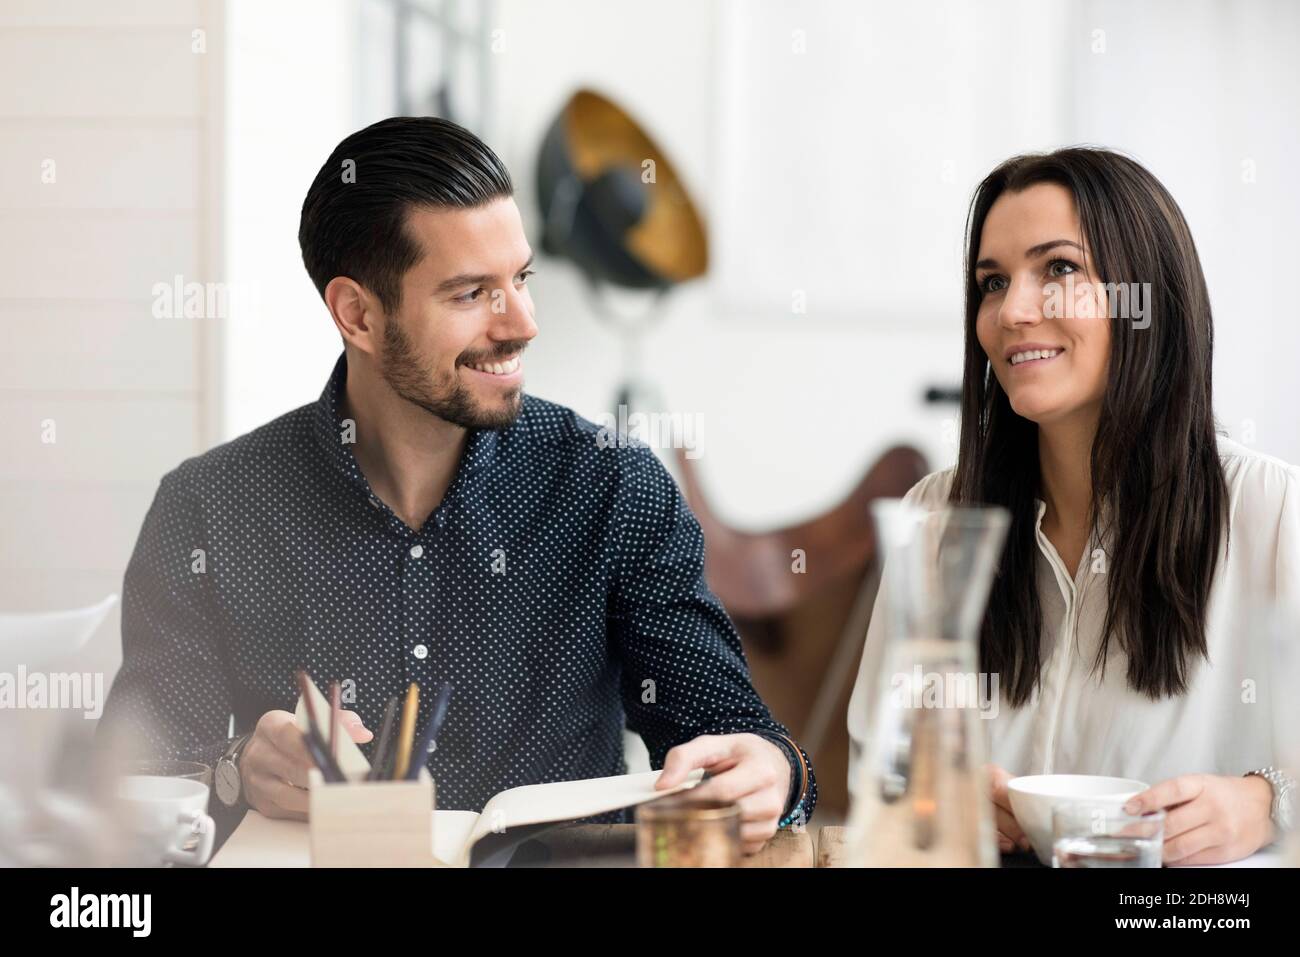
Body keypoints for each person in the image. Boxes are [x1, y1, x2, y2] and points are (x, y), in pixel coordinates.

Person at [100, 116, 814, 854]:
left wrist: (774, 772)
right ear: (359, 315)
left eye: (521, 279)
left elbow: (738, 740)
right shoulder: (205, 509)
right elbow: (137, 779)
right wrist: (235, 766)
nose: (524, 323)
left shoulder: (614, 486)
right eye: (473, 293)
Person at [847, 147, 1295, 865]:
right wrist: (940, 798)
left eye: (1058, 269)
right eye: (992, 283)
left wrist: (1268, 802)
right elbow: (882, 772)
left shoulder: (1275, 514)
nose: (1013, 312)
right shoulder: (937, 522)